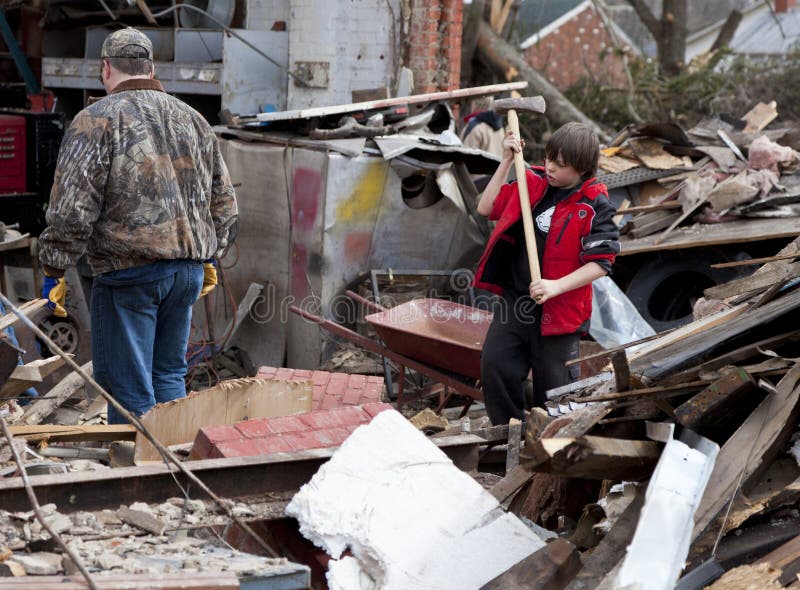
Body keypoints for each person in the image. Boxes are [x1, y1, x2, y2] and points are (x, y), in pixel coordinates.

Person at [38, 27, 238, 424]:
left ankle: (139, 473)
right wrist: (210, 254)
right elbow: (225, 204)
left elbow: (73, 209)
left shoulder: (95, 120)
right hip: (187, 274)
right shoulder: (194, 120)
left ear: (106, 68)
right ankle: (176, 471)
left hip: (130, 275)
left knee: (127, 385)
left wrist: (54, 267)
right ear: (150, 67)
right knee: (168, 375)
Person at [473, 122, 619, 425]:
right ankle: (508, 437)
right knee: (495, 366)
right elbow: (486, 207)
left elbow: (601, 264)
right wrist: (506, 161)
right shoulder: (532, 185)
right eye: (549, 158)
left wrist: (555, 287)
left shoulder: (593, 204)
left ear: (582, 170)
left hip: (560, 313)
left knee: (554, 393)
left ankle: (547, 450)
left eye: (560, 164)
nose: (550, 167)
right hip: (517, 303)